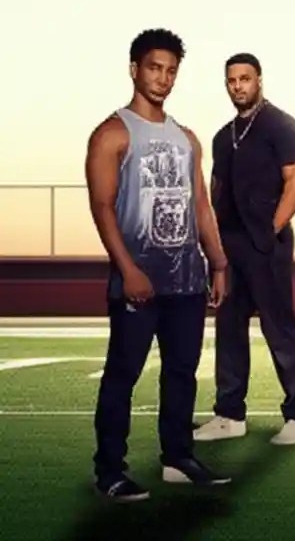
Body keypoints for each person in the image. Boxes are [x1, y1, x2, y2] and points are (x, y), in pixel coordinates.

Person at [85, 28, 231, 501]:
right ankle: (109, 469)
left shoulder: (187, 139)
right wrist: (128, 269)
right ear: (135, 69)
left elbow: (201, 205)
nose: (163, 78)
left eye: (171, 70)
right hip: (138, 280)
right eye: (154, 67)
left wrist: (218, 262)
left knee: (182, 372)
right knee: (122, 375)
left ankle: (178, 457)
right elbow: (103, 207)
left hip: (186, 279)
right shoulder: (111, 133)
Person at [193, 53, 295, 446]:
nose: (238, 86)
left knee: (278, 325)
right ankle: (230, 414)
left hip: (268, 243)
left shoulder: (281, 126)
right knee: (228, 327)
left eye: (245, 79)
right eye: (232, 81)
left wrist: (271, 229)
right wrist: (217, 250)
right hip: (230, 247)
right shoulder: (221, 136)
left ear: (259, 80)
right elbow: (215, 192)